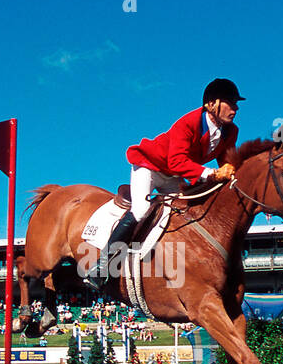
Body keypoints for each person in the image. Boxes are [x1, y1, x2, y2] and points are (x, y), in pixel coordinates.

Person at [100, 79, 243, 277]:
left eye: (236, 103)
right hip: (149, 166)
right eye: (230, 102)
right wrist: (210, 173)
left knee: (185, 213)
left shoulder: (231, 131)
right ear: (211, 104)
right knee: (141, 211)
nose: (235, 108)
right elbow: (177, 161)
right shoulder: (188, 123)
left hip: (173, 176)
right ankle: (103, 264)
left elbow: (225, 164)